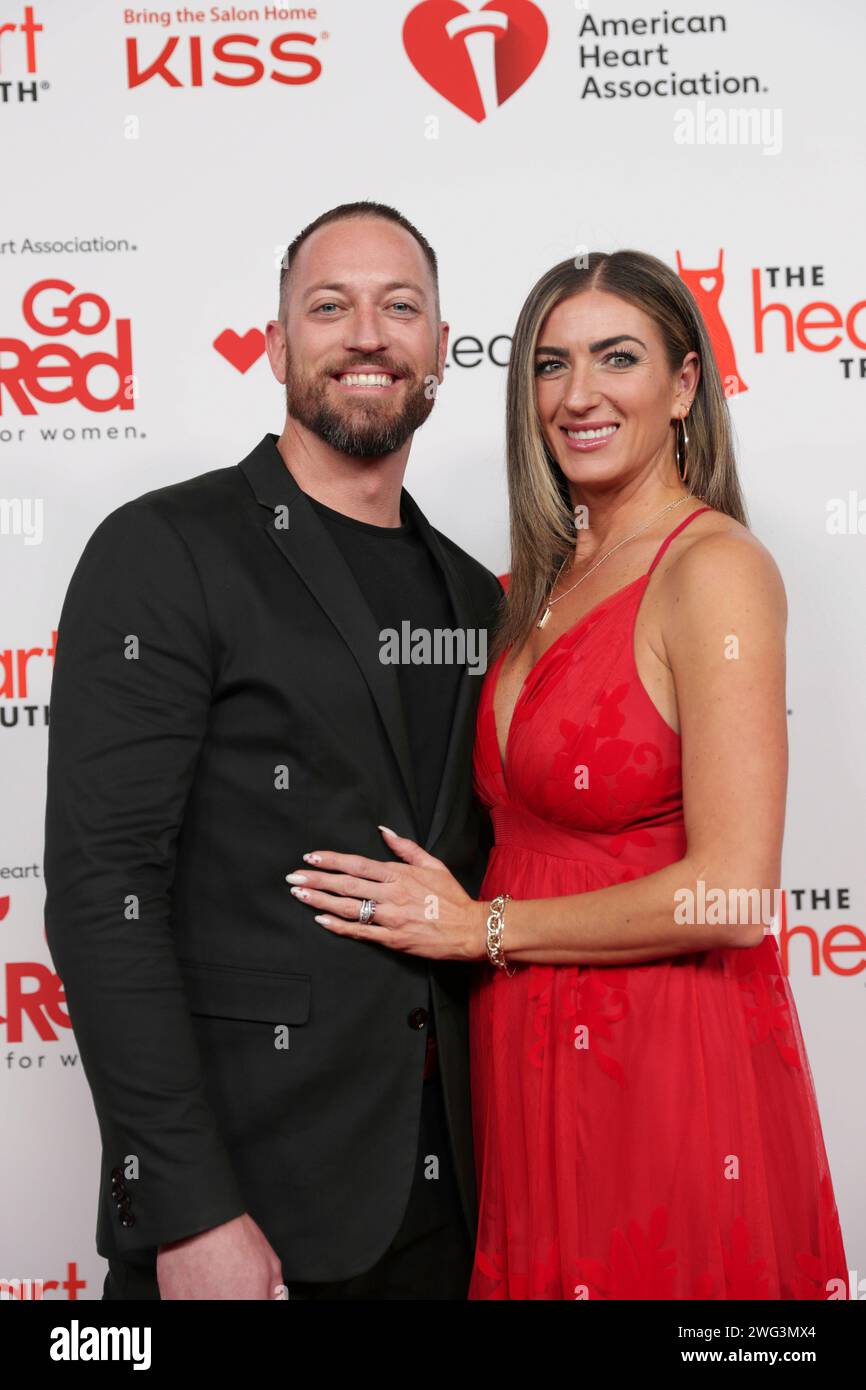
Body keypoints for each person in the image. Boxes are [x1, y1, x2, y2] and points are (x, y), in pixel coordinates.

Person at [285, 249, 849, 1300]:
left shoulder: (712, 569)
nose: (576, 394)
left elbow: (731, 892)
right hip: (524, 1051)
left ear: (683, 385)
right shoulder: (529, 586)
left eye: (615, 358)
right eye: (548, 365)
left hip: (664, 1057)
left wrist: (481, 928)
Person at [43, 201, 503, 1300]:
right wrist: (188, 1208)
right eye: (328, 305)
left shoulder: (479, 594)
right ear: (273, 344)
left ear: (441, 349)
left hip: (451, 1210)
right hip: (247, 1211)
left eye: (401, 307)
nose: (366, 334)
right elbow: (104, 887)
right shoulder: (168, 550)